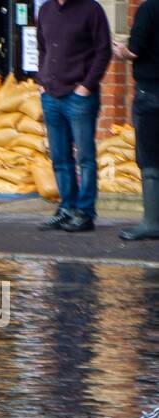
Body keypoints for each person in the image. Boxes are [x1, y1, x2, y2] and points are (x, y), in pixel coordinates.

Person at [36, 0, 112, 233]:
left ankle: (85, 213)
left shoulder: (91, 9)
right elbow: (42, 48)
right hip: (51, 95)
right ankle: (66, 208)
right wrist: (42, 81)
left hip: (79, 96)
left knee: (85, 158)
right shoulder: (46, 10)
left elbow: (103, 51)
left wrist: (87, 86)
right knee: (59, 157)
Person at [114, 0, 159, 240]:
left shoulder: (148, 9)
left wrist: (121, 51)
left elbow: (135, 49)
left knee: (150, 159)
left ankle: (152, 222)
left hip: (151, 93)